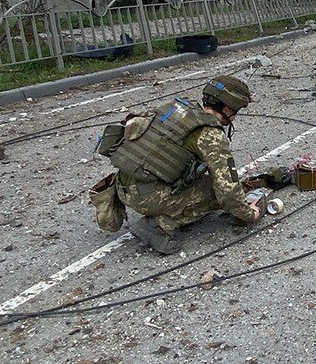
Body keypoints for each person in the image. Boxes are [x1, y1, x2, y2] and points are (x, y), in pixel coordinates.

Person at [92, 75, 261, 254]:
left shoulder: (176, 107)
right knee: (216, 192)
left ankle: (161, 205)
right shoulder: (210, 135)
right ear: (227, 108)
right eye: (235, 110)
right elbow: (228, 191)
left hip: (122, 186)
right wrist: (249, 214)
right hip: (144, 197)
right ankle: (158, 226)